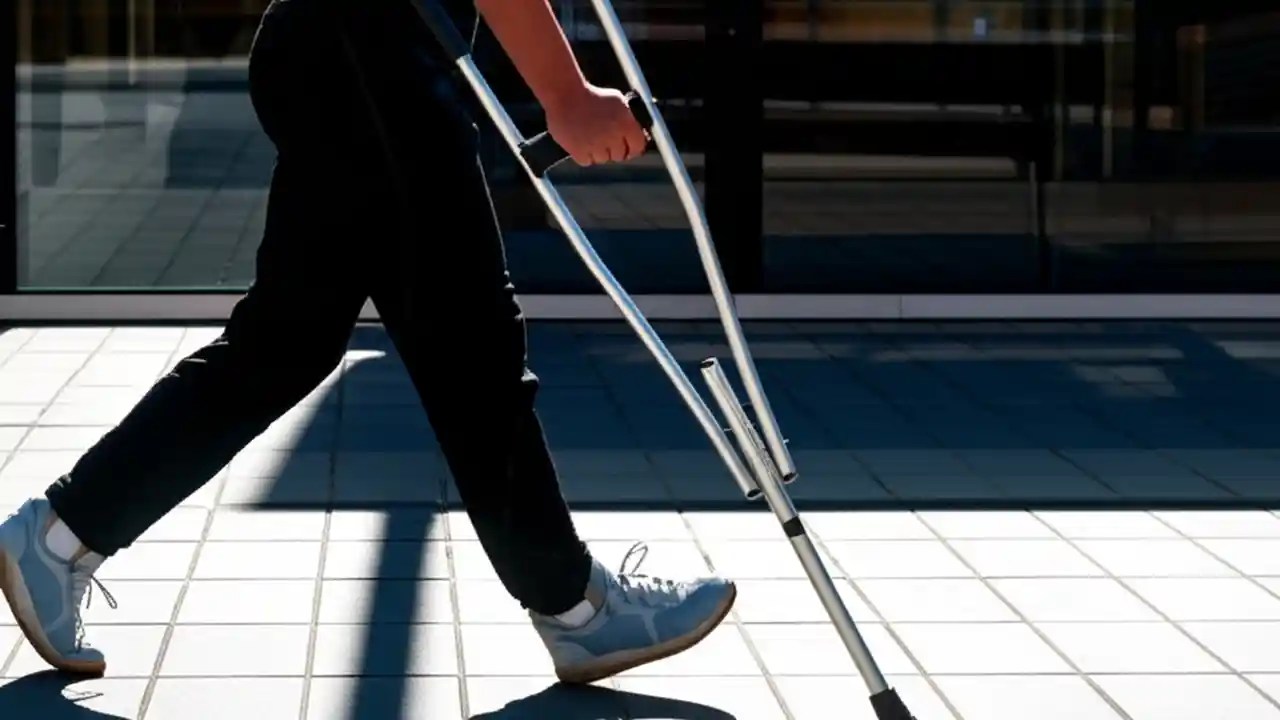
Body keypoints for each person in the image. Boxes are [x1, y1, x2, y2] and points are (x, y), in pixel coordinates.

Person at [0, 0, 735, 686]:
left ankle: (60, 537)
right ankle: (578, 610)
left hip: (337, 48)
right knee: (468, 347)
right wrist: (567, 96)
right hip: (378, 62)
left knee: (290, 342)